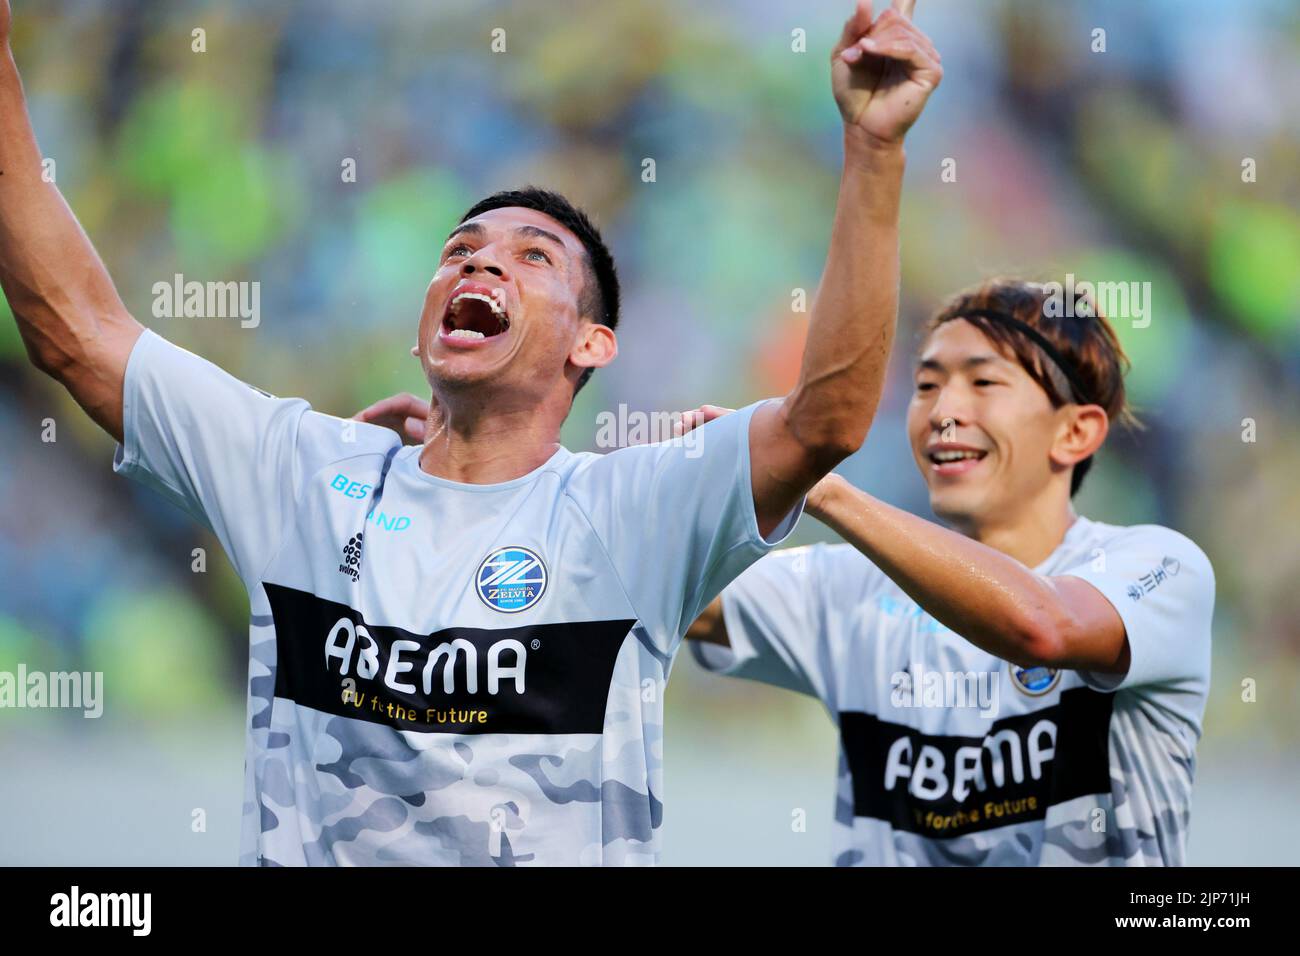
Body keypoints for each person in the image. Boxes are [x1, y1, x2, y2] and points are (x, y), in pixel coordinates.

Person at [0, 0, 942, 864]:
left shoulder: (628, 510)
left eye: (532, 256)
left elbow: (828, 417)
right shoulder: (301, 475)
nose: (481, 262)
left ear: (592, 342)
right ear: (424, 323)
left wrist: (874, 153)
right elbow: (76, 333)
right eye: (459, 252)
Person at [682, 279, 1215, 866]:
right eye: (926, 385)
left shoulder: (1161, 568)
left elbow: (1043, 627)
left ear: (1076, 431)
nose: (942, 412)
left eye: (984, 383)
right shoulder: (850, 587)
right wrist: (697, 486)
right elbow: (661, 585)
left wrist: (824, 489)